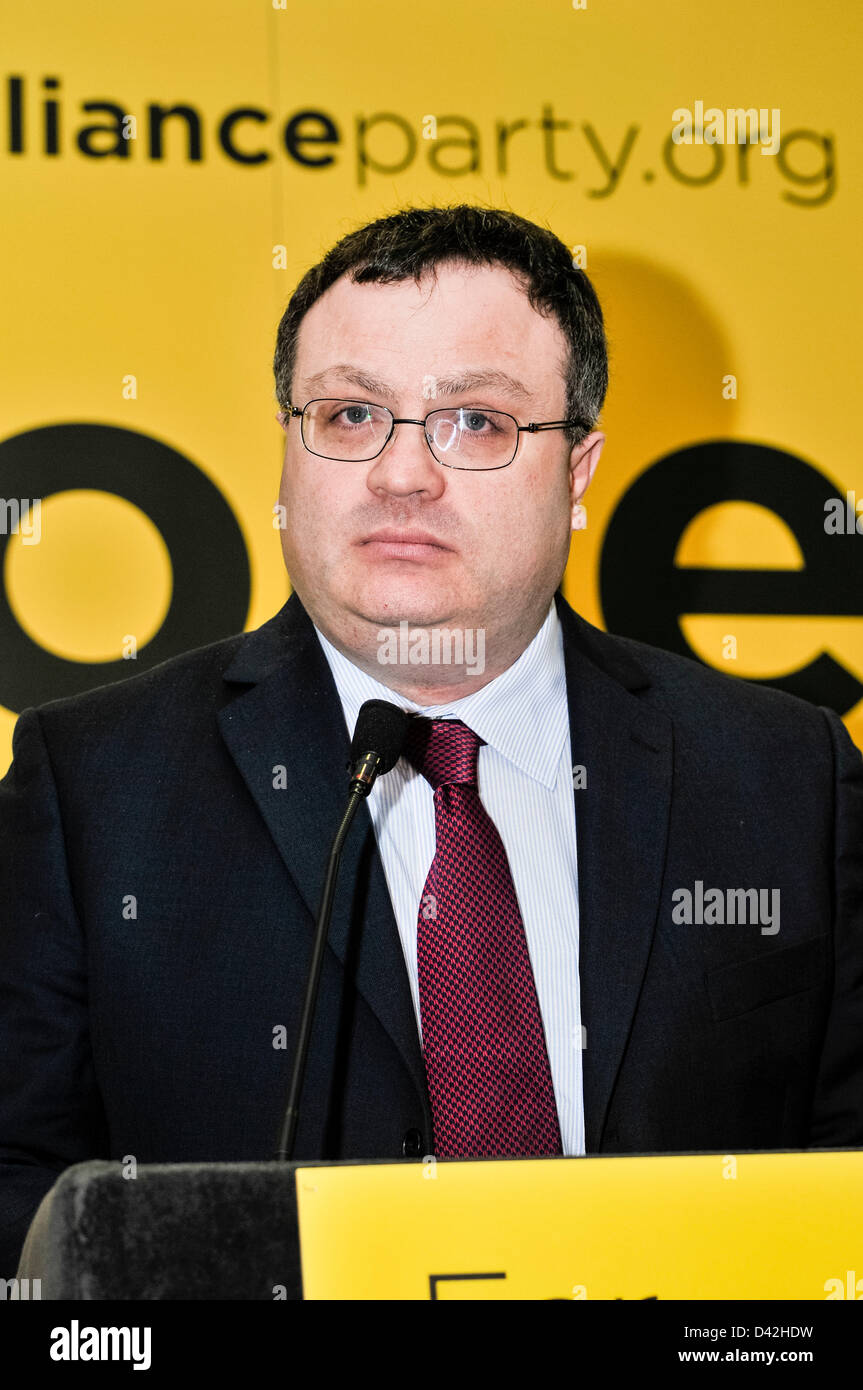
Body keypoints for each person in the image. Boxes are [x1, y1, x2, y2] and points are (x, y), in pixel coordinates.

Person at [1, 204, 861, 1277]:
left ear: (579, 467)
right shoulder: (93, 785)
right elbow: (24, 1193)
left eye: (475, 422)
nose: (400, 474)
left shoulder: (785, 776)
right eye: (351, 412)